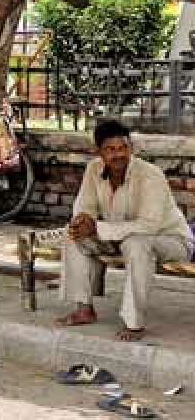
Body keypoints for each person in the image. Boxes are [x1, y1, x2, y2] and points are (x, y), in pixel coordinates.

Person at [56, 120, 194, 341]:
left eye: (123, 148)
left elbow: (149, 225)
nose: (118, 155)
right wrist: (82, 220)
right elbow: (84, 206)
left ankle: (134, 322)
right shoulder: (94, 169)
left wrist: (98, 227)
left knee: (137, 243)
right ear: (99, 152)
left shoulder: (150, 175)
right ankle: (84, 308)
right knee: (72, 235)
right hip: (120, 237)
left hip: (170, 240)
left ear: (130, 148)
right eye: (110, 150)